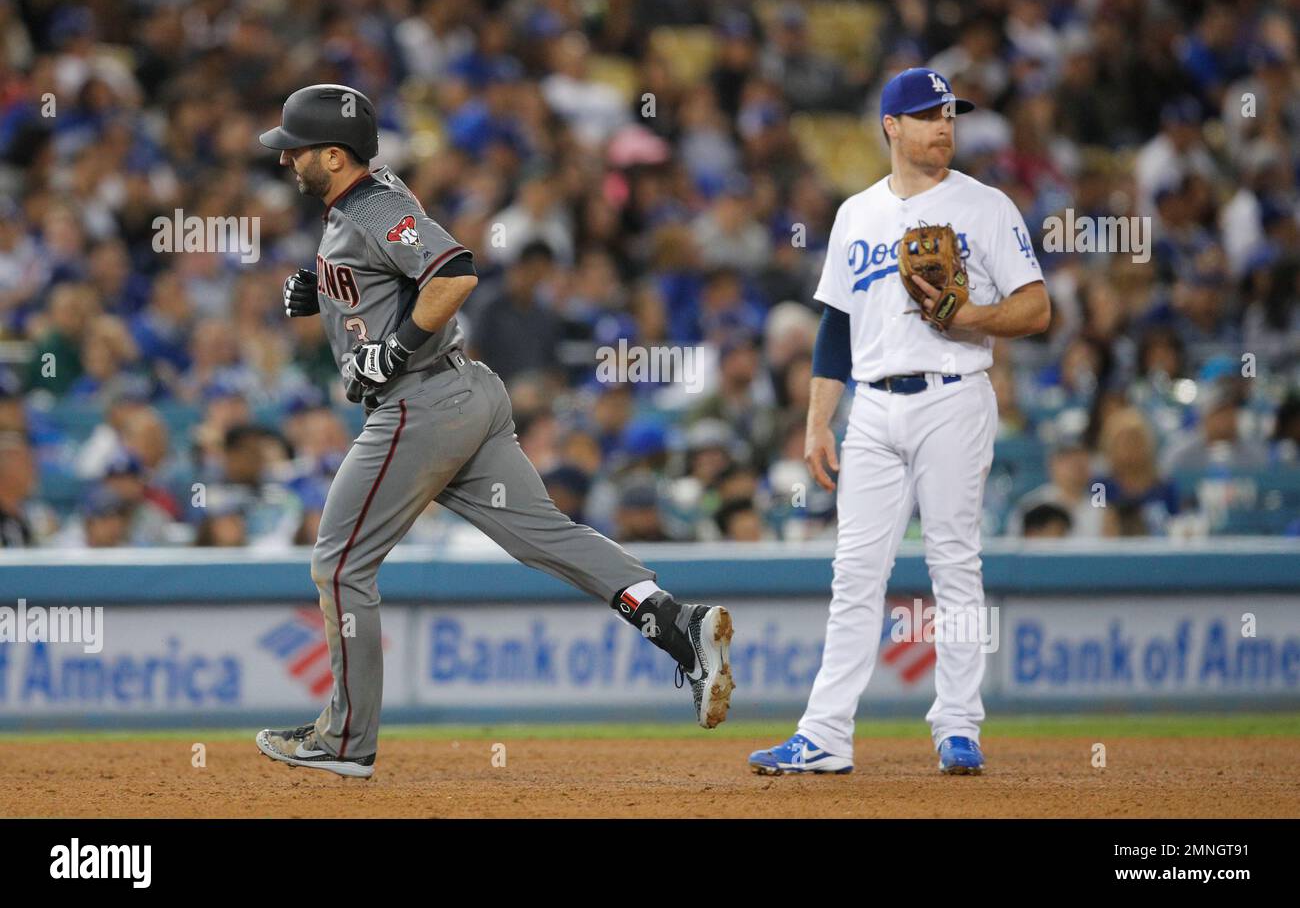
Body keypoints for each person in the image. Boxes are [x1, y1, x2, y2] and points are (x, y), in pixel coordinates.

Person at [253, 85, 734, 778]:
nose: (286, 159)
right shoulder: (362, 205)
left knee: (339, 565)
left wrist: (396, 346)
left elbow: (454, 272)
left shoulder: (375, 204)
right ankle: (678, 624)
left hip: (419, 405)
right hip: (466, 398)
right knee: (546, 536)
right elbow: (389, 276)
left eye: (296, 149)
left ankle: (346, 739)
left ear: (334, 155)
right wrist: (325, 291)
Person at [749, 68, 1050, 776]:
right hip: (874, 405)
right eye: (926, 115)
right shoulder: (856, 212)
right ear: (891, 125)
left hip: (955, 395)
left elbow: (1036, 309)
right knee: (855, 571)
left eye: (949, 115)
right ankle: (824, 734)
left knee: (954, 561)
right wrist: (818, 424)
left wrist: (970, 315)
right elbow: (835, 328)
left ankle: (958, 727)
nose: (943, 126)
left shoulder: (985, 205)